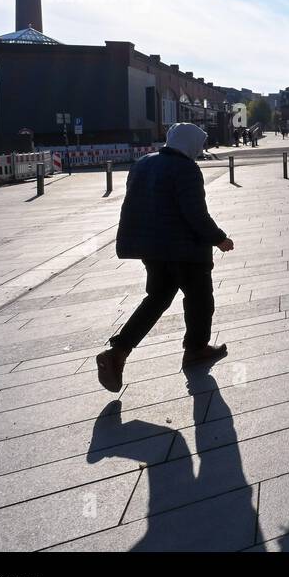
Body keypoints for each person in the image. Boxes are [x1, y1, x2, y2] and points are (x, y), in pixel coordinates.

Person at [96, 122, 234, 392]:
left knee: (157, 299)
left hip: (152, 248)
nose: (200, 149)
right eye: (199, 143)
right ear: (190, 143)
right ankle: (196, 349)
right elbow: (195, 213)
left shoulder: (144, 163)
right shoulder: (186, 169)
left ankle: (118, 351)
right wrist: (219, 238)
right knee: (199, 300)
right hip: (185, 250)